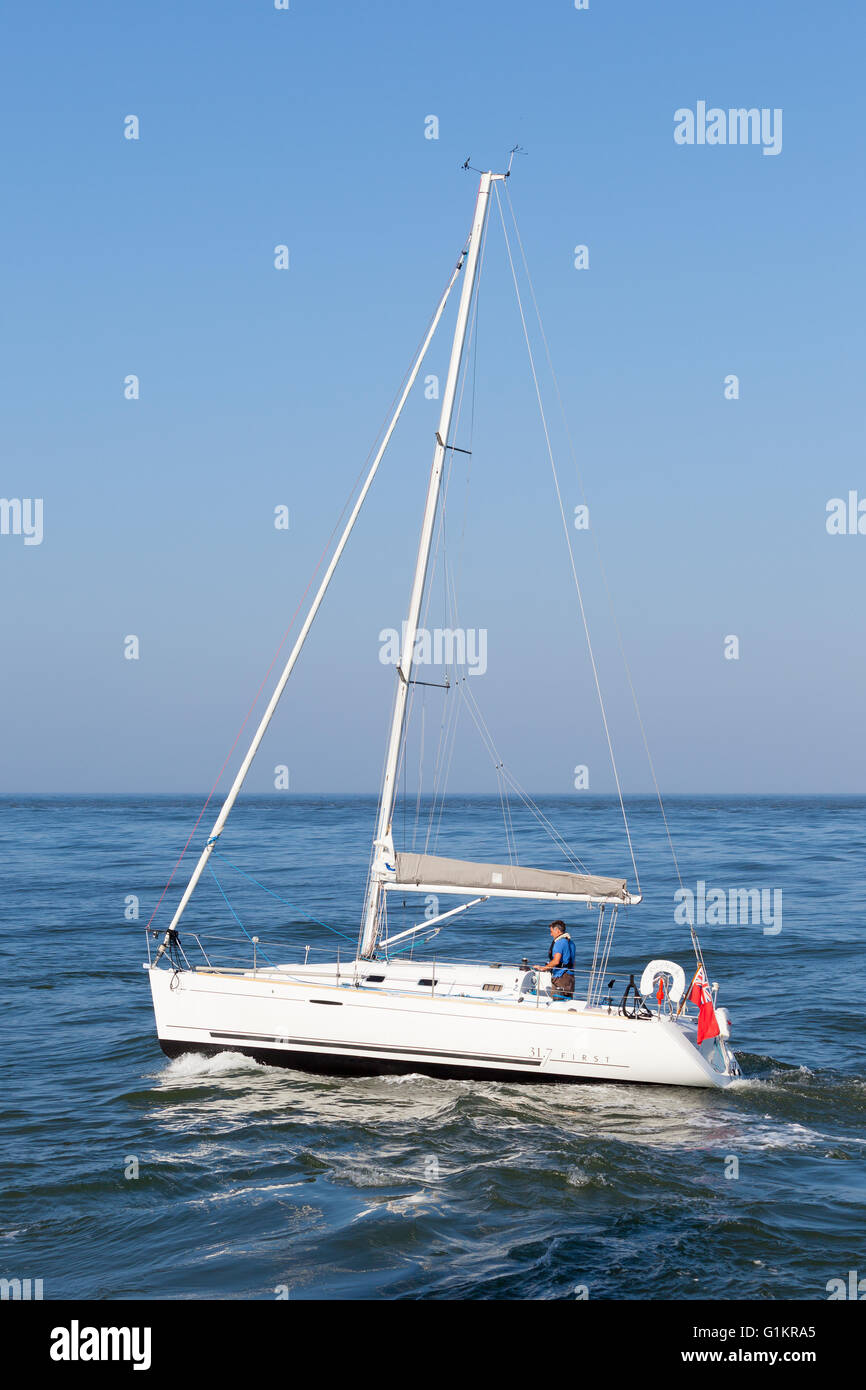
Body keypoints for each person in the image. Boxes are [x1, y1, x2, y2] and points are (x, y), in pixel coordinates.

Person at [537, 919, 575, 999]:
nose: (551, 934)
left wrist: (544, 968)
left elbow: (556, 961)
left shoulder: (560, 942)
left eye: (551, 931)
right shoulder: (570, 942)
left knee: (557, 1001)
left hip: (561, 977)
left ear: (557, 931)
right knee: (568, 1001)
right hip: (570, 977)